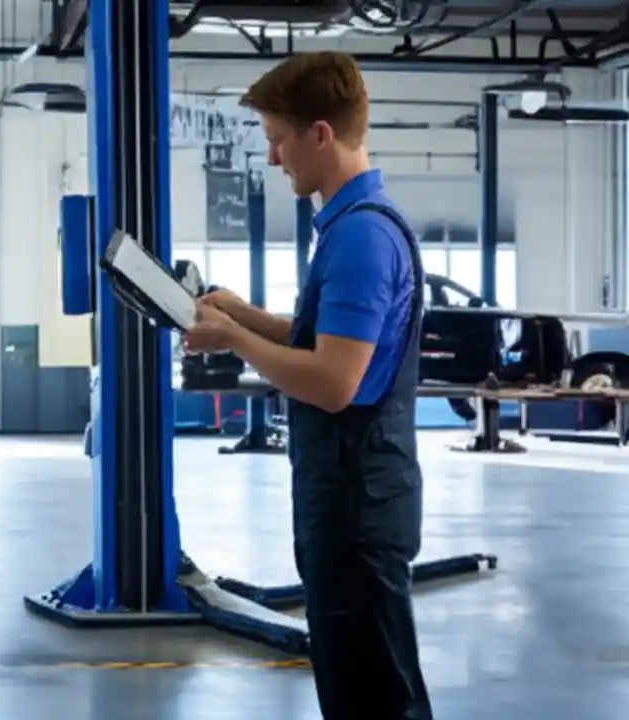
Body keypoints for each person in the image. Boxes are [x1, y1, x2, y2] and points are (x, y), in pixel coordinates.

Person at [184, 52, 433, 719]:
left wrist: (233, 341)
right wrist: (247, 314)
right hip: (357, 496)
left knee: (373, 699)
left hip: (355, 507)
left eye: (278, 139)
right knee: (366, 687)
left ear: (319, 135)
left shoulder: (359, 240)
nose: (273, 158)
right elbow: (335, 340)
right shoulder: (359, 226)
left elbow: (333, 382)